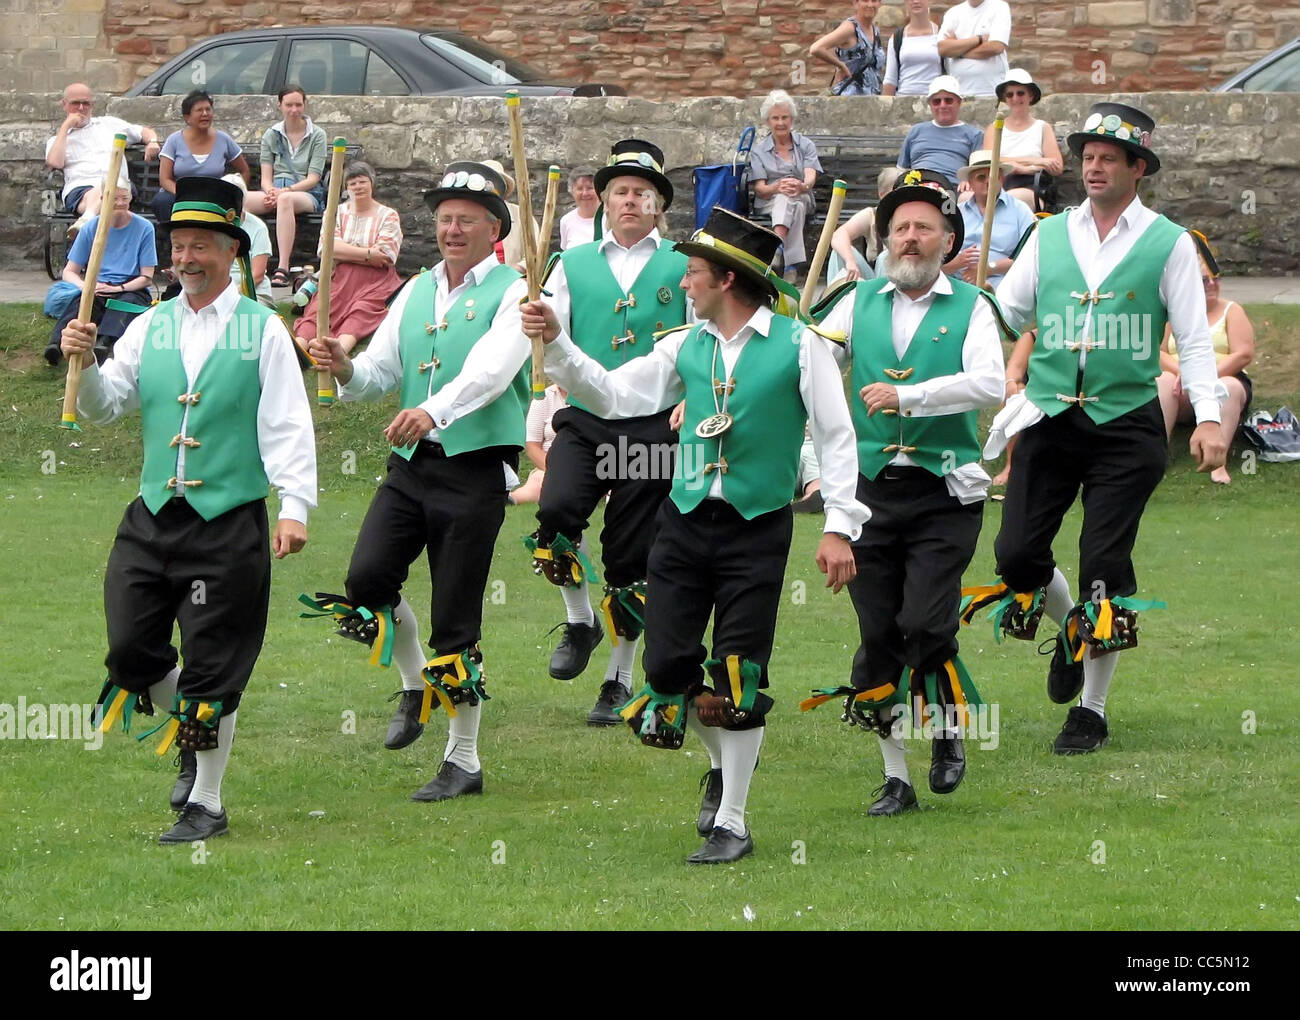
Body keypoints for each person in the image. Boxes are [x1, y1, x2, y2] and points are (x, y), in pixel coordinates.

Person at [524, 206, 866, 863]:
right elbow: (614, 396)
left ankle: (732, 821)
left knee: (736, 675)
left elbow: (836, 436)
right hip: (680, 522)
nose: (684, 284)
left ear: (729, 282)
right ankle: (724, 764)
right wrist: (560, 342)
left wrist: (839, 526)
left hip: (755, 527)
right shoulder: (685, 344)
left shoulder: (802, 347)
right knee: (668, 667)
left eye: (695, 274)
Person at [60, 175, 316, 844]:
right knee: (129, 650)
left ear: (232, 251)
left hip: (228, 521)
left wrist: (295, 507)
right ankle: (189, 732)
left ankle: (207, 801)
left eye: (200, 245)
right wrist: (83, 366)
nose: (186, 257)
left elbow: (287, 423)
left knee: (213, 666)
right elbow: (105, 404)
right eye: (179, 245)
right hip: (151, 518)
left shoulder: (262, 331)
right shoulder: (151, 326)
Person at [985, 102, 1226, 755]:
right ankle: (1073, 632)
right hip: (1052, 414)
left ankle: (1090, 711)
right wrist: (976, 295)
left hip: (1127, 423)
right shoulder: (1049, 233)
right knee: (1016, 556)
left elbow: (1196, 342)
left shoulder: (1169, 242)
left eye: (1107, 158)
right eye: (1086, 156)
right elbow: (1010, 312)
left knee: (1102, 566)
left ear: (1137, 168)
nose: (1092, 167)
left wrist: (1208, 418)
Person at [303, 161, 529, 804]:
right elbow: (380, 372)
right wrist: (345, 367)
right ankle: (412, 684)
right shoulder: (417, 289)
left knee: (455, 620)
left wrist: (435, 410)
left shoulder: (517, 292)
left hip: (476, 469)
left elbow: (491, 372)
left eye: (466, 219)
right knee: (367, 580)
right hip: (412, 469)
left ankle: (464, 760)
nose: (452, 229)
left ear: (494, 229)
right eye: (445, 218)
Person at [810, 169, 1004, 816]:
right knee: (880, 633)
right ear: (883, 242)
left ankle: (948, 731)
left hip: (945, 491)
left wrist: (910, 398)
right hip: (867, 494)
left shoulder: (972, 307)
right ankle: (896, 775)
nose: (911, 239)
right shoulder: (854, 302)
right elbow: (811, 364)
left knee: (926, 622)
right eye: (900, 229)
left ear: (949, 240)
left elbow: (989, 385)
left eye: (925, 227)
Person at [525, 139, 690, 727]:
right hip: (587, 418)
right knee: (557, 510)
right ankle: (579, 619)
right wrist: (547, 379)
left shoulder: (684, 263)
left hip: (653, 426)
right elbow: (548, 332)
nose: (629, 200)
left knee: (630, 556)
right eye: (619, 191)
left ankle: (618, 679)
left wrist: (695, 399)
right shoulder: (569, 262)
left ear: (657, 205)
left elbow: (705, 340)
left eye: (641, 193)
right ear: (604, 200)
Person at [1157, 231, 1254, 485]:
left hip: (1221, 377)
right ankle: (1157, 454)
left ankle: (1218, 462)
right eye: (1202, 281)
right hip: (1179, 383)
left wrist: (1202, 376)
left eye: (1214, 279)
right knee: (1162, 381)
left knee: (1229, 387)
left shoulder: (1232, 310)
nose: (1210, 285)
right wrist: (1182, 372)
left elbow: (1243, 353)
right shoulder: (1174, 312)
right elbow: (1157, 352)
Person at [294, 161, 403, 354]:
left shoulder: (388, 215)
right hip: (339, 277)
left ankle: (337, 351)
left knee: (361, 310)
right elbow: (326, 248)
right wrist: (368, 253)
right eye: (352, 183)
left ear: (372, 184)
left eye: (362, 182)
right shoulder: (336, 213)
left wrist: (344, 251)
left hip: (376, 280)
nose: (358, 187)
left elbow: (385, 256)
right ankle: (299, 350)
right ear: (346, 188)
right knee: (321, 308)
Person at [44, 184, 155, 366]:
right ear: (103, 199)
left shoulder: (144, 227)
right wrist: (86, 287)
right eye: (114, 198)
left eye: (124, 198)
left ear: (130, 199)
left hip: (130, 286)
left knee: (125, 304)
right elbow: (69, 271)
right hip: (97, 285)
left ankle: (104, 342)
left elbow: (146, 277)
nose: (119, 203)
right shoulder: (91, 228)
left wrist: (118, 288)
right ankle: (56, 345)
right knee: (80, 304)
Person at [45, 83, 161, 240]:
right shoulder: (58, 139)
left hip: (119, 188)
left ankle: (86, 223)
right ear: (64, 105)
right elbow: (55, 163)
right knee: (102, 192)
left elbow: (143, 132)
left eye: (85, 103)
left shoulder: (109, 125)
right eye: (75, 103)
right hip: (81, 191)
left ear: (92, 105)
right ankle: (89, 221)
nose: (81, 108)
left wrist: (153, 141)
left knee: (108, 187)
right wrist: (65, 127)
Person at [253, 85, 326, 286]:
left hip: (304, 192)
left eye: (298, 105)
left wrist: (286, 191)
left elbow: (313, 177)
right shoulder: (271, 135)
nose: (294, 110)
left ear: (304, 105)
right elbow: (266, 176)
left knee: (285, 200)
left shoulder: (317, 135)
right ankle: (238, 262)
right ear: (280, 106)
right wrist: (270, 191)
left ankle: (282, 267)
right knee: (237, 199)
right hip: (275, 189)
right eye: (289, 105)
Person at [748, 90, 822, 278]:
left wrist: (802, 186)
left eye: (785, 117)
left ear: (792, 119)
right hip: (769, 200)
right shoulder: (759, 151)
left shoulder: (805, 145)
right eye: (775, 118)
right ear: (768, 121)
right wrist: (777, 187)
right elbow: (760, 189)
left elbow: (810, 176)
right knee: (786, 200)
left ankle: (777, 247)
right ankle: (791, 267)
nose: (780, 123)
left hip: (803, 195)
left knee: (792, 199)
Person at [152, 90, 250, 221]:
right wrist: (185, 194)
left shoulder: (223, 140)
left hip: (213, 196)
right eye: (199, 110)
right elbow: (165, 180)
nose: (205, 114)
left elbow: (244, 170)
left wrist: (235, 193)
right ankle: (172, 240)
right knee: (162, 201)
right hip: (179, 195)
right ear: (188, 117)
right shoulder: (174, 140)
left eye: (208, 109)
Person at [946, 149, 1035, 288]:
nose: (988, 181)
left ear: (1002, 179)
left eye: (994, 176)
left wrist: (987, 268)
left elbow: (1032, 255)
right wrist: (958, 262)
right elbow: (938, 261)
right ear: (970, 182)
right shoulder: (957, 213)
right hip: (959, 284)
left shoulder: (1020, 210)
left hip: (1005, 285)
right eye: (981, 177)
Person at [986, 69, 1063, 211]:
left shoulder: (1042, 127)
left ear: (1030, 95)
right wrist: (1035, 161)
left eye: (1020, 93)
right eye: (1010, 94)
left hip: (1032, 186)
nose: (1015, 98)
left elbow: (1057, 167)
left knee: (1011, 198)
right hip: (998, 183)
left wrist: (1024, 169)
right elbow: (987, 161)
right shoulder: (995, 128)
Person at [897, 75, 984, 190]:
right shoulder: (916, 131)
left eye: (948, 100)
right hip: (916, 187)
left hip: (951, 189)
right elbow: (901, 169)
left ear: (959, 102)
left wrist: (968, 180)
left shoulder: (974, 135)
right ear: (930, 104)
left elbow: (978, 172)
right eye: (937, 101)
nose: (942, 105)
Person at [828, 166, 903, 283]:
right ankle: (837, 297)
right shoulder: (871, 215)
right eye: (896, 193)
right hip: (872, 279)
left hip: (904, 281)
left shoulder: (913, 218)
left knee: (886, 257)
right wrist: (850, 261)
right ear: (882, 195)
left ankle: (885, 301)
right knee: (839, 252)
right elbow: (839, 235)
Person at [810, 0, 886, 96]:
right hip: (850, 98)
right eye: (865, 1)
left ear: (879, 3)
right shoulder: (850, 28)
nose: (870, 5)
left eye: (874, 1)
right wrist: (840, 65)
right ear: (856, 3)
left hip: (871, 99)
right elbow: (816, 48)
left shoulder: (875, 30)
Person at [508, 383, 567, 505]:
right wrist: (555, 470)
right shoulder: (543, 398)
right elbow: (532, 446)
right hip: (550, 465)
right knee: (538, 480)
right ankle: (511, 499)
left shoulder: (593, 394)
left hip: (588, 462)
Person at [221, 174, 275, 307]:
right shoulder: (213, 226)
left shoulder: (258, 227)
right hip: (218, 290)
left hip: (253, 291)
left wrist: (231, 296)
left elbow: (257, 275)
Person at [938, 0, 1011, 97]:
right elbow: (942, 49)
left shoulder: (999, 7)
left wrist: (957, 51)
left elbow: (996, 47)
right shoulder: (952, 13)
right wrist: (978, 39)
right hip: (958, 94)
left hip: (992, 92)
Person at [481, 159, 541, 269]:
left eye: (494, 184)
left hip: (515, 281)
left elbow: (535, 253)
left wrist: (511, 273)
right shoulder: (469, 216)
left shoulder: (521, 215)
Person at [882, 0, 945, 97]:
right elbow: (890, 79)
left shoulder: (942, 35)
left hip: (934, 101)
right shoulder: (897, 38)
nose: (916, 1)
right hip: (903, 101)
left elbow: (951, 72)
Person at [559, 166, 599, 250]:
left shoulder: (611, 218)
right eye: (580, 188)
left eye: (590, 188)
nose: (585, 193)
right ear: (572, 191)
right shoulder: (566, 221)